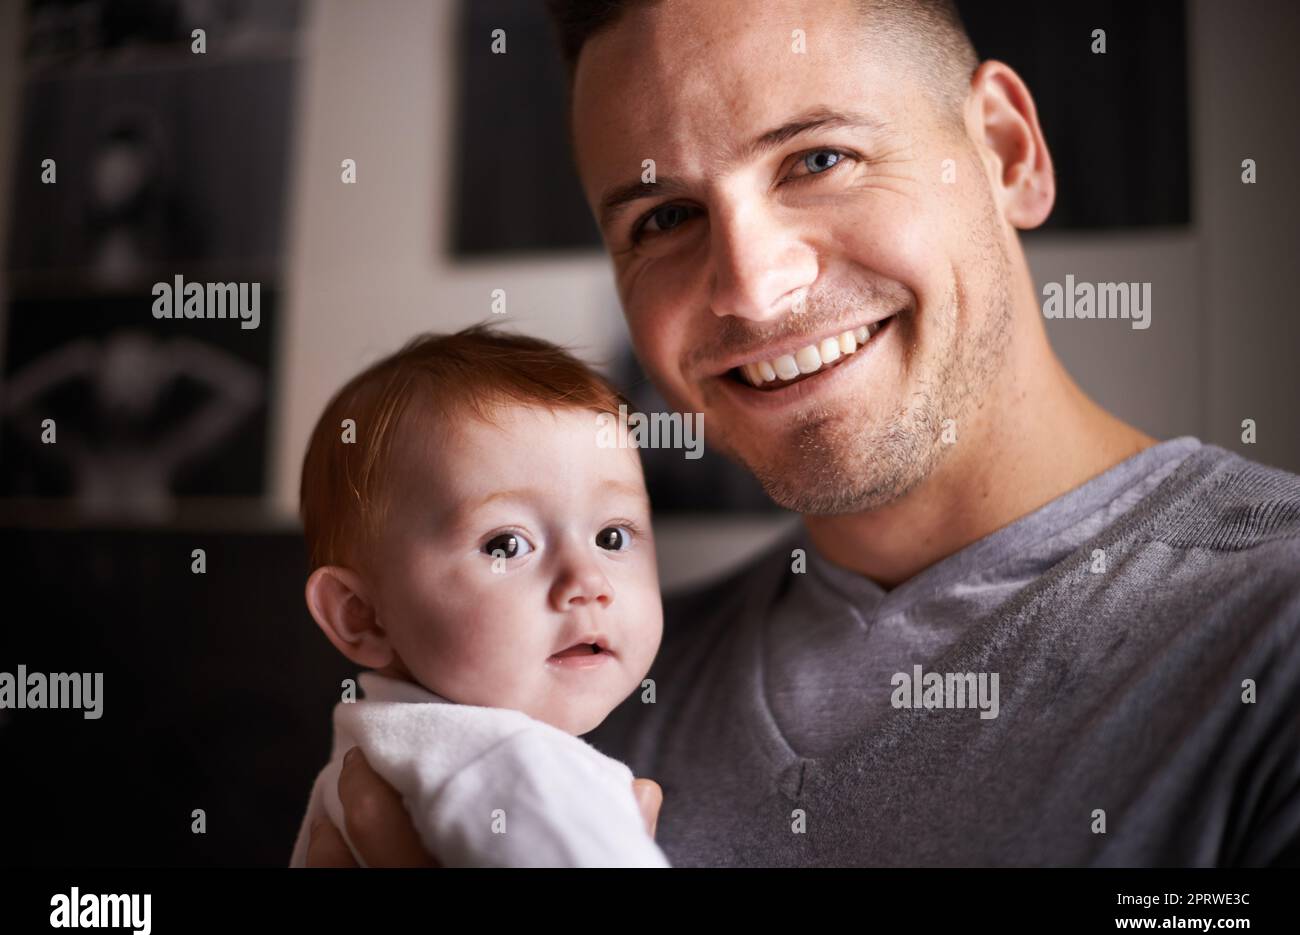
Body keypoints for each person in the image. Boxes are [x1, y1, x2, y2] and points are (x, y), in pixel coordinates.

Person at [306, 0, 1300, 866]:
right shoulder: (574, 680)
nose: (749, 284)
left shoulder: (1271, 633)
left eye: (819, 159)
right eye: (663, 218)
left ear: (1005, 152)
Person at [291, 324, 668, 866]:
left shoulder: (382, 753)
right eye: (507, 543)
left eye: (611, 536)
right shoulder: (510, 763)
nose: (587, 583)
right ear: (363, 616)